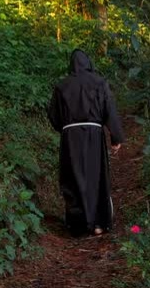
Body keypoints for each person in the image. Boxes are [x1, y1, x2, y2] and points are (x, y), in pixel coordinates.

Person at [47, 49, 124, 236]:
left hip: (71, 137)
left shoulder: (62, 86)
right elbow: (109, 108)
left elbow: (53, 115)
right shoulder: (99, 82)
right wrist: (116, 136)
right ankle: (98, 223)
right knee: (95, 175)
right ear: (88, 63)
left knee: (73, 177)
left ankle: (78, 225)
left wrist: (66, 129)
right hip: (93, 135)